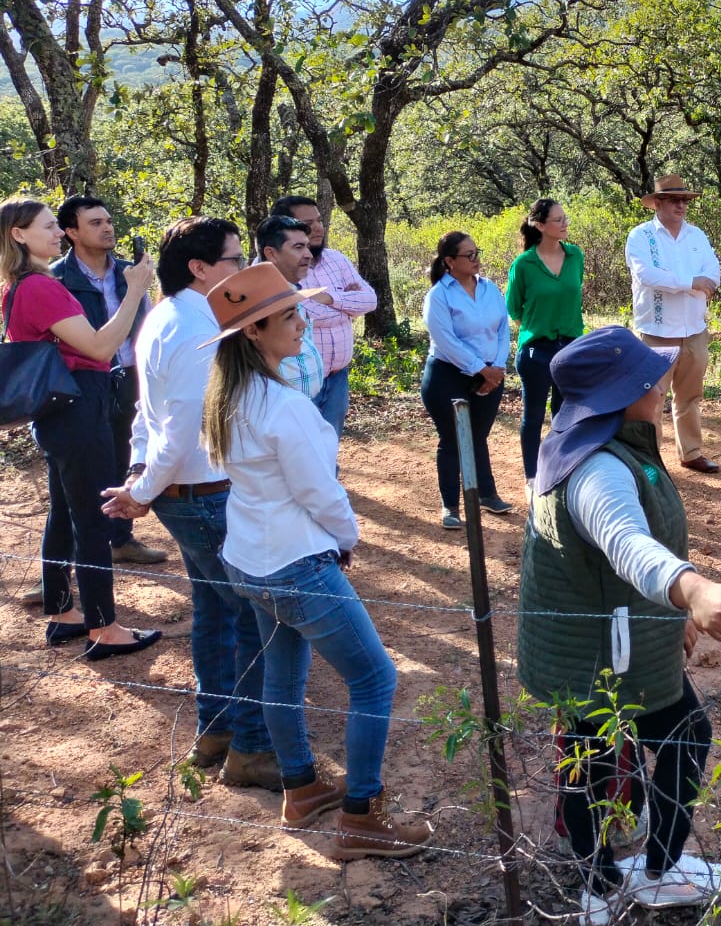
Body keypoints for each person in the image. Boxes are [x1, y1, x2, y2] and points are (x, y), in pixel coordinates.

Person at [519, 327, 721, 920]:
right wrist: (693, 589)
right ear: (622, 392)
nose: (661, 381)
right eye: (649, 376)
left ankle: (610, 878)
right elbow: (625, 543)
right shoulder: (598, 468)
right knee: (642, 748)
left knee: (595, 757)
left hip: (615, 636)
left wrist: (666, 611)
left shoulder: (589, 441)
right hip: (607, 650)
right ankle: (631, 877)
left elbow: (623, 555)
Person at [199, 263, 432, 860]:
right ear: (253, 332)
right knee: (375, 679)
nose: (302, 324)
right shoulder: (284, 406)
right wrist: (346, 535)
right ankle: (361, 815)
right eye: (288, 316)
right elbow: (318, 490)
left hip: (249, 558)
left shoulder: (229, 397)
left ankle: (301, 788)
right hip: (297, 562)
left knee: (284, 671)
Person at [100, 217, 279, 789]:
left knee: (215, 610)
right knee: (255, 615)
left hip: (191, 492)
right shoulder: (189, 329)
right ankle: (250, 748)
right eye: (233, 259)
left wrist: (139, 476)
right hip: (202, 495)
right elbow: (177, 430)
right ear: (200, 268)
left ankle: (218, 729)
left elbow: (145, 416)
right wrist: (142, 490)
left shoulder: (174, 317)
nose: (243, 269)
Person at [0, 198, 161, 659]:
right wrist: (135, 290)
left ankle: (62, 612)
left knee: (66, 511)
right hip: (79, 407)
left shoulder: (20, 285)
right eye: (49, 227)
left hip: (59, 412)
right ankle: (104, 629)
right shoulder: (40, 287)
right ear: (19, 234)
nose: (58, 233)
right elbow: (100, 347)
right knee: (93, 518)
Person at [48, 195, 166, 568]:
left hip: (127, 378)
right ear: (71, 232)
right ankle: (58, 564)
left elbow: (145, 326)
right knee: (69, 477)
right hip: (79, 383)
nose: (108, 227)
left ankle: (121, 540)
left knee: (122, 457)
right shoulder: (55, 279)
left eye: (109, 220)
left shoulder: (130, 273)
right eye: (95, 222)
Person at [625, 175, 721, 474]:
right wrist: (691, 283)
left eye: (684, 200)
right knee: (651, 399)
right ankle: (649, 461)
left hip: (694, 329)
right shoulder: (640, 236)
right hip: (656, 331)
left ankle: (691, 452)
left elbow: (713, 272)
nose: (681, 205)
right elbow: (647, 276)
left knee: (690, 395)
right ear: (657, 203)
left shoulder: (697, 236)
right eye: (673, 200)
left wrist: (695, 283)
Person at [421, 230, 513, 527]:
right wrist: (480, 369)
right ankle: (450, 506)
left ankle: (486, 494)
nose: (476, 260)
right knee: (452, 441)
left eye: (477, 253)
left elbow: (503, 329)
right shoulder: (439, 295)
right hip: (449, 376)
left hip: (490, 373)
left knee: (478, 437)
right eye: (468, 255)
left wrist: (496, 367)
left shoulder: (490, 289)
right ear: (449, 261)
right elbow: (445, 340)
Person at [271, 196, 378, 437]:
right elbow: (308, 314)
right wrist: (347, 306)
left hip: (337, 377)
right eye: (308, 223)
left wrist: (331, 298)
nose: (319, 227)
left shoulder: (336, 259)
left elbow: (370, 300)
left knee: (329, 451)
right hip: (296, 381)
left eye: (319, 220)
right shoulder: (272, 268)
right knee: (300, 451)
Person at [505, 199, 584, 491]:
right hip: (536, 350)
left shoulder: (576, 256)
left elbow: (574, 295)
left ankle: (562, 469)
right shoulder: (523, 264)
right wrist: (538, 327)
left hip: (571, 347)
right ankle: (532, 476)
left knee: (566, 414)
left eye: (566, 218)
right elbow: (513, 309)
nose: (565, 224)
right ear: (540, 226)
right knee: (534, 415)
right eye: (558, 220)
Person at [253, 215, 326, 402]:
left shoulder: (291, 290)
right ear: (271, 253)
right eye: (298, 247)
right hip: (278, 413)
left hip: (302, 406)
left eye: (307, 246)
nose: (309, 254)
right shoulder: (255, 302)